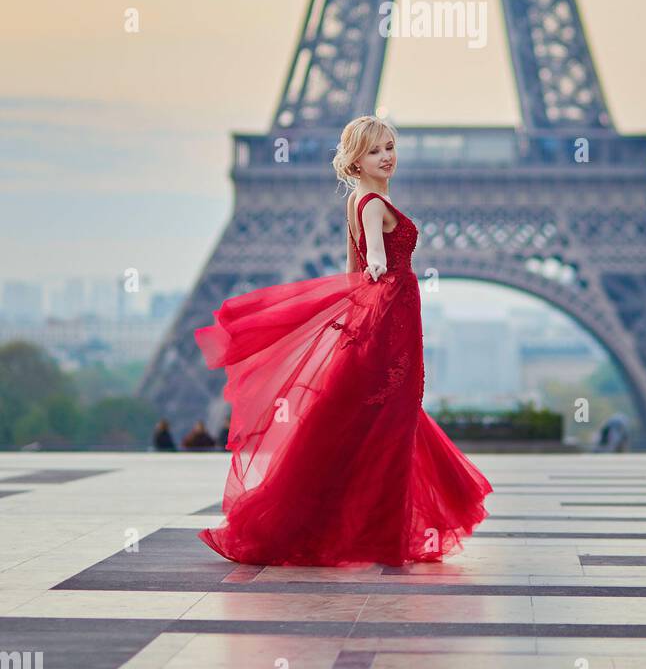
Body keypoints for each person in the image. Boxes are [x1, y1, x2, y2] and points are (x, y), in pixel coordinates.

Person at [195, 115, 492, 566]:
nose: (387, 156)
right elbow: (370, 254)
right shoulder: (373, 204)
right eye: (375, 150)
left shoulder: (356, 200)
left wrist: (357, 318)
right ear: (356, 159)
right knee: (394, 418)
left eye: (390, 147)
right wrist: (378, 268)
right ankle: (378, 532)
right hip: (392, 319)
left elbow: (352, 268)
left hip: (381, 319)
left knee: (374, 421)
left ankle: (348, 525)